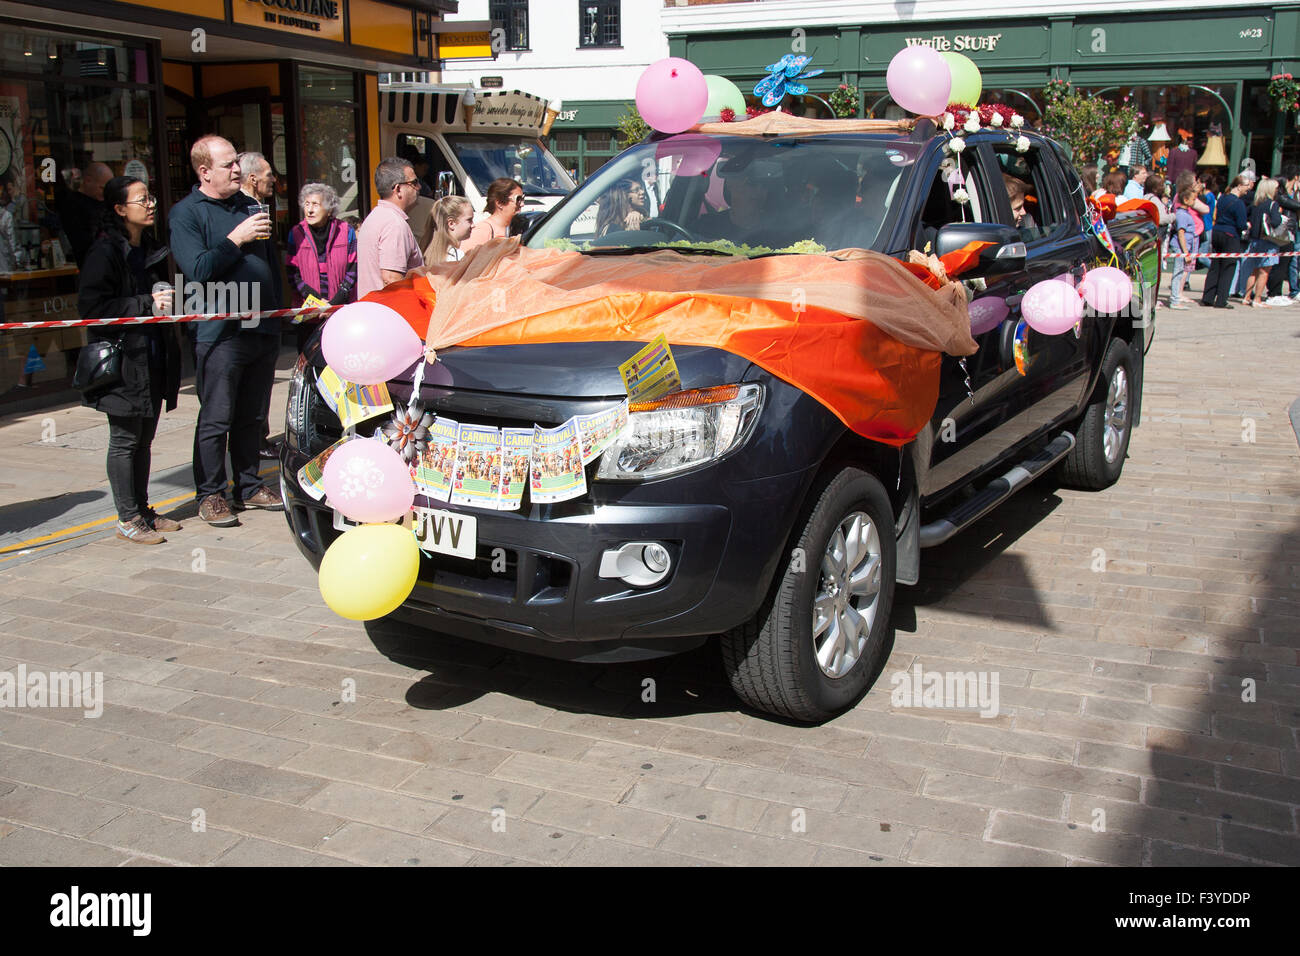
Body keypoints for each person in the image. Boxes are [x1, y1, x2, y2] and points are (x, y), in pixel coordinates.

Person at [169, 134, 285, 527]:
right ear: (204, 171)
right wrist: (236, 239)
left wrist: (279, 314)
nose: (237, 169)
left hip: (261, 326)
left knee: (253, 416)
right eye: (227, 165)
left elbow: (269, 262)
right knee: (218, 416)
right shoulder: (187, 213)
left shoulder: (250, 206)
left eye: (237, 162)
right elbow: (198, 269)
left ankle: (249, 486)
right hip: (220, 330)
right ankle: (211, 493)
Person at [76, 176, 183, 544]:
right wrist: (145, 304)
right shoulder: (105, 252)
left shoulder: (149, 248)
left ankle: (143, 510)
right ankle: (127, 517)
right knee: (124, 439)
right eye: (142, 199)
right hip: (121, 362)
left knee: (144, 440)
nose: (151, 204)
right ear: (120, 209)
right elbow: (91, 308)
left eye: (151, 197)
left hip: (151, 357)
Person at [237, 151, 282, 459]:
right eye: (269, 175)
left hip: (266, 310)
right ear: (252, 179)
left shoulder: (260, 208)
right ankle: (251, 439)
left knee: (261, 383)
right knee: (249, 387)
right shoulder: (243, 211)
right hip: (248, 310)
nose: (274, 180)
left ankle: (258, 436)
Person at [286, 182, 357, 353]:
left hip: (339, 311)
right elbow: (292, 273)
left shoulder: (346, 230)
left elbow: (353, 269)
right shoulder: (296, 233)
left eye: (315, 204)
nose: (309, 210)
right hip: (309, 313)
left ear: (330, 209)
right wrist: (318, 302)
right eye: (307, 204)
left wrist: (333, 304)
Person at [356, 156, 425, 298]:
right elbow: (391, 279)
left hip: (374, 312)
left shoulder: (375, 217)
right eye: (414, 183)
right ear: (398, 189)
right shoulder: (394, 224)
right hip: (388, 314)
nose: (419, 187)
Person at [1201, 174, 1251, 309]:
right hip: (1230, 235)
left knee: (1215, 265)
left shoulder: (1222, 198)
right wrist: (1247, 226)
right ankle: (1221, 299)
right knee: (1228, 267)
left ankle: (1208, 297)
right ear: (1239, 186)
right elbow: (1241, 224)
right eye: (1247, 186)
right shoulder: (1239, 203)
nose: (1248, 189)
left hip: (1217, 232)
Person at [60, 161, 113, 266]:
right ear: (88, 181)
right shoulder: (73, 205)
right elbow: (83, 243)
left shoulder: (106, 203)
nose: (105, 193)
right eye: (102, 188)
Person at [1242, 177, 1283, 308]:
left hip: (1255, 240)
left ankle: (1246, 297)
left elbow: (1246, 217)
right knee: (1264, 271)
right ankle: (1257, 299)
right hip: (1268, 241)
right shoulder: (1272, 204)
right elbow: (1276, 222)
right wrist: (1279, 215)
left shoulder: (1255, 204)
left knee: (1254, 270)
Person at [461, 178, 525, 254]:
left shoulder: (518, 228)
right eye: (518, 199)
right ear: (500, 203)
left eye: (523, 199)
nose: (522, 204)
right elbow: (466, 261)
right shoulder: (482, 230)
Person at [1167, 185, 1199, 310]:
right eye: (1193, 199)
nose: (1194, 202)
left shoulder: (1184, 214)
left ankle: (1175, 298)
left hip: (1184, 248)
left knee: (1180, 273)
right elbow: (1181, 234)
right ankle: (1175, 300)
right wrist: (1186, 252)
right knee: (1178, 273)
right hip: (1180, 249)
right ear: (1186, 200)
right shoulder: (1182, 215)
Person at [424, 195, 474, 263]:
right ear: (451, 223)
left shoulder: (425, 250)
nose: (473, 225)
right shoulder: (456, 256)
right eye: (469, 220)